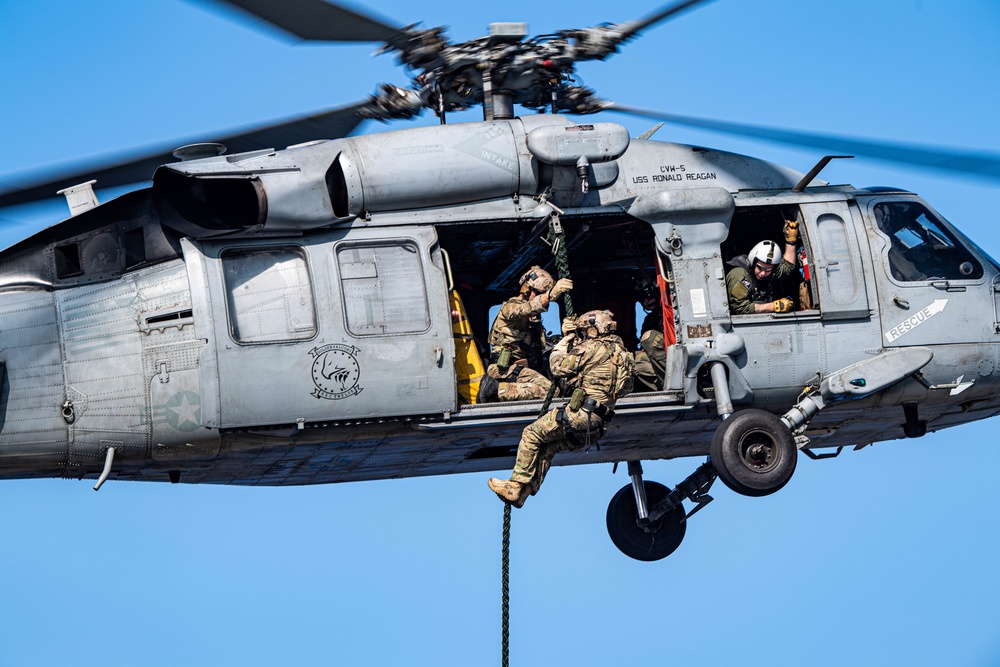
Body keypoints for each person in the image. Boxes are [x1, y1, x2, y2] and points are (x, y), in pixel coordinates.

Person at [488, 310, 635, 508]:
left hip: (581, 415)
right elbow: (625, 389)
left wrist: (565, 340)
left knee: (531, 434)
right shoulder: (624, 355)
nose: (584, 335)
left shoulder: (592, 347)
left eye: (585, 331)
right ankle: (524, 492)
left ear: (594, 329)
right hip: (600, 424)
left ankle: (515, 485)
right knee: (548, 447)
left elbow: (557, 366)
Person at [479, 266, 572, 402]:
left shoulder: (532, 321)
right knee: (551, 392)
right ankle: (495, 390)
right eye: (539, 293)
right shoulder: (511, 307)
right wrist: (551, 295)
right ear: (528, 290)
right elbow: (524, 309)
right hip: (503, 369)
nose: (541, 297)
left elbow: (542, 349)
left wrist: (566, 333)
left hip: (518, 369)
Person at [725, 220, 799, 314]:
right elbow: (740, 308)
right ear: (753, 261)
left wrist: (791, 241)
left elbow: (787, 267)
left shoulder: (767, 272)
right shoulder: (740, 275)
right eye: (760, 268)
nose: (763, 273)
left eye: (768, 269)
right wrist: (775, 306)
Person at [633, 283, 666, 392]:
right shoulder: (649, 320)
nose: (648, 300)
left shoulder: (669, 313)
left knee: (650, 337)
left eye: (651, 296)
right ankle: (665, 384)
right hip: (658, 360)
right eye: (644, 299)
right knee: (633, 360)